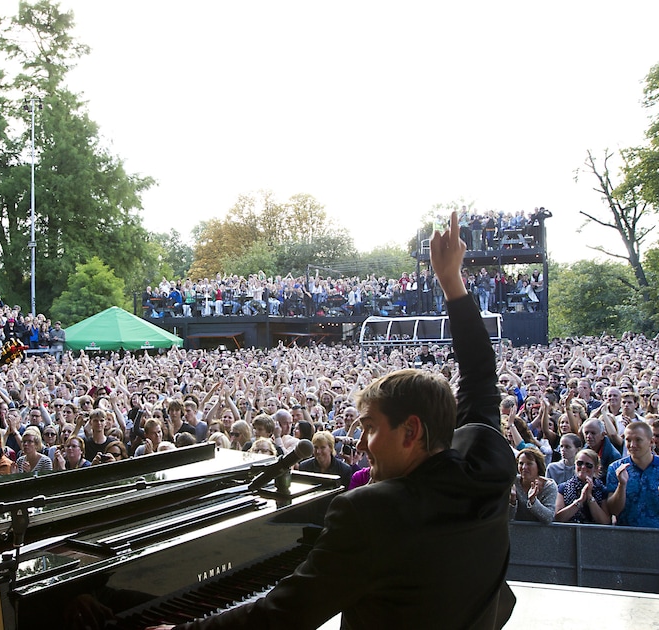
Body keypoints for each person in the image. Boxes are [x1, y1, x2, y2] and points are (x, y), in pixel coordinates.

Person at [151, 210, 515, 630]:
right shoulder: (487, 467)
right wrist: (452, 282)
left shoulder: (373, 512)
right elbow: (480, 374)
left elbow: (282, 616)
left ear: (411, 430)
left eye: (371, 428)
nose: (359, 444)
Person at [604, 421, 659, 529]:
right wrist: (621, 485)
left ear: (651, 442)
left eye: (638, 440)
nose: (632, 445)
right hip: (626, 535)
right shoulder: (616, 468)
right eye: (628, 440)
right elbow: (614, 511)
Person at [554, 448, 609, 524]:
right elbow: (558, 518)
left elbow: (605, 521)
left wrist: (590, 498)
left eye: (588, 465)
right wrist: (580, 501)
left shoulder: (602, 490)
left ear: (596, 468)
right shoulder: (563, 488)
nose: (583, 467)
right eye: (579, 463)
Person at [511, 447, 556, 524]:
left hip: (539, 531)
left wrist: (533, 501)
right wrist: (512, 501)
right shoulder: (513, 482)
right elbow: (507, 518)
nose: (524, 467)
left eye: (529, 464)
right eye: (521, 463)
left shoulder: (548, 486)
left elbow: (548, 518)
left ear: (538, 466)